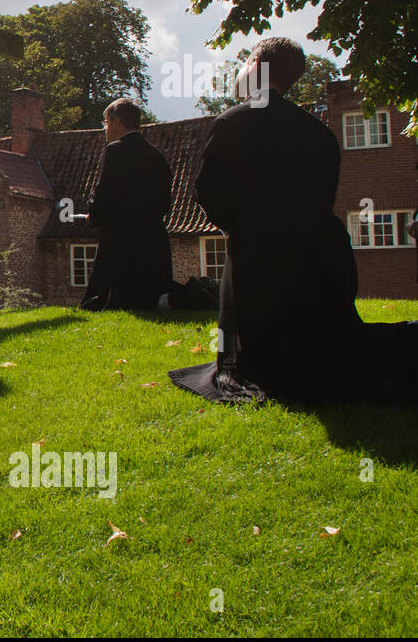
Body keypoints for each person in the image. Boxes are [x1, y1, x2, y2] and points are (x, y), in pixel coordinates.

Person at [170, 36, 418, 403]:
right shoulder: (320, 133)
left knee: (267, 359)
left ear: (254, 67)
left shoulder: (232, 122)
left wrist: (243, 229)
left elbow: (209, 194)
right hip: (320, 258)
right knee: (327, 343)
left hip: (260, 263)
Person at [79, 98, 174, 311]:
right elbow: (165, 203)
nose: (104, 129)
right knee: (147, 296)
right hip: (153, 238)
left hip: (121, 239)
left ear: (117, 121)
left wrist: (93, 216)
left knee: (113, 296)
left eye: (105, 123)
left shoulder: (115, 151)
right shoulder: (157, 156)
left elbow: (104, 192)